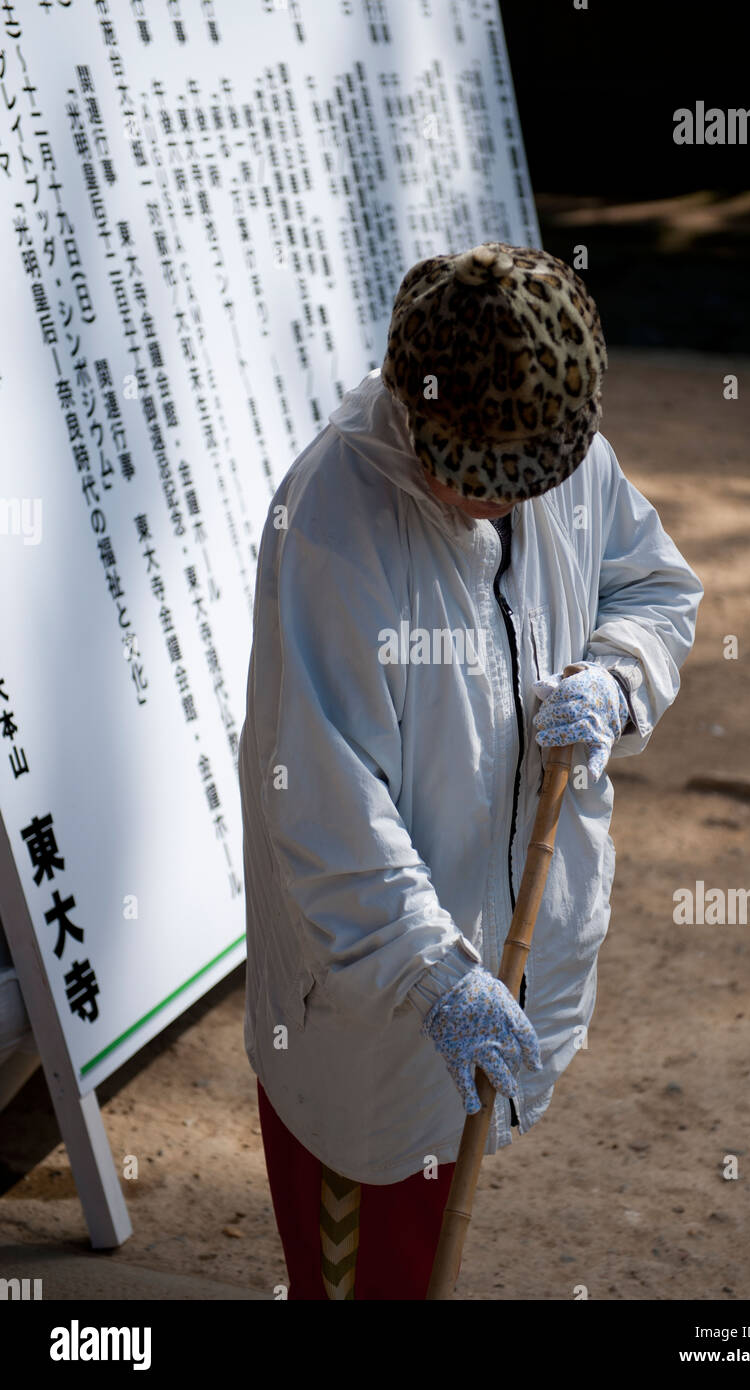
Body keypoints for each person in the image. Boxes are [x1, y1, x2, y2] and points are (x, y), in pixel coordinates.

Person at [238, 241, 703, 1300]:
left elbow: (653, 586)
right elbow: (322, 801)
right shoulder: (331, 526)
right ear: (416, 411)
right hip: (374, 1005)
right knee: (367, 1272)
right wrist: (432, 971)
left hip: (503, 955)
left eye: (521, 484)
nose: (495, 504)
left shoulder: (556, 438)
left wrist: (617, 678)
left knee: (445, 1202)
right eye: (474, 478)